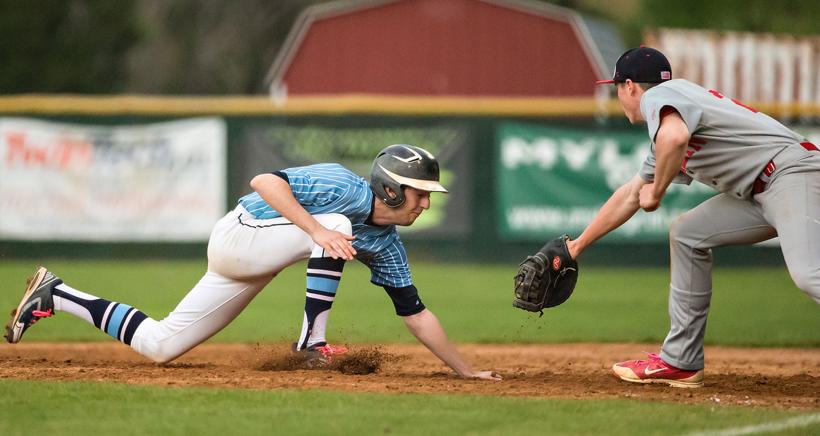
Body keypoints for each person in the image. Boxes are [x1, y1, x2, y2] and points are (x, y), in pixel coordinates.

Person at [5, 144, 501, 381]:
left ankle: (57, 294)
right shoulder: (342, 186)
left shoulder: (388, 242)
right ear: (391, 187)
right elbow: (263, 181)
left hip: (253, 262)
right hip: (240, 233)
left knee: (160, 346)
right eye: (419, 194)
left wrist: (466, 371)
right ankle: (313, 342)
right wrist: (317, 230)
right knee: (338, 228)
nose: (425, 204)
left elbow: (415, 313)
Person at [568, 47, 819, 388]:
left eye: (617, 88)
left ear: (630, 86)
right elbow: (630, 194)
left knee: (809, 275)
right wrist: (577, 247)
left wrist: (656, 193)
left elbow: (675, 139)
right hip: (762, 191)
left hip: (792, 174)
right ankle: (680, 361)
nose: (618, 97)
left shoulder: (660, 97)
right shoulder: (671, 112)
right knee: (688, 233)